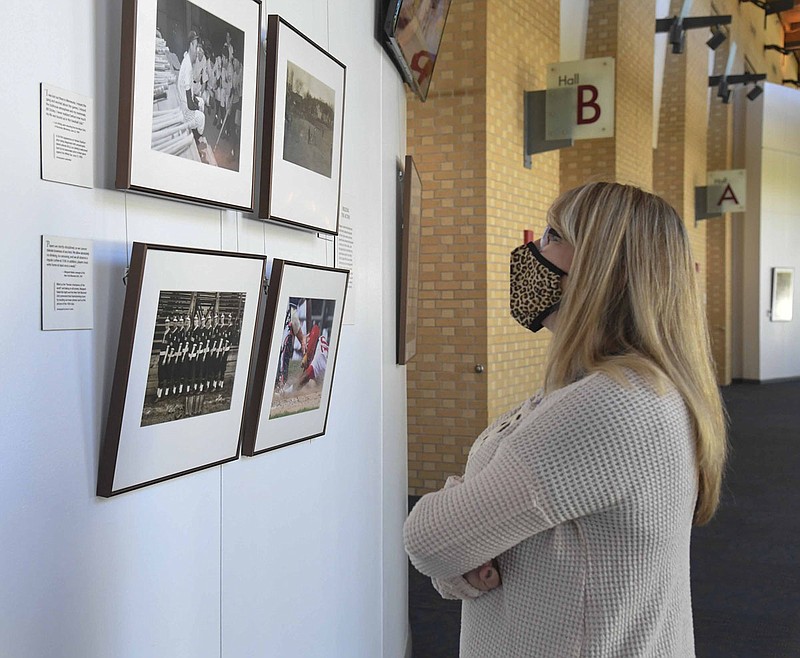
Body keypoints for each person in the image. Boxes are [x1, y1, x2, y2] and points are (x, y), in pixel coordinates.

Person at [403, 181, 727, 657]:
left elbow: (429, 539)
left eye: (553, 235)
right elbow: (457, 545)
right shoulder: (614, 386)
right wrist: (464, 547)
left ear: (604, 269)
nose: (533, 251)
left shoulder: (612, 403)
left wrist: (463, 530)